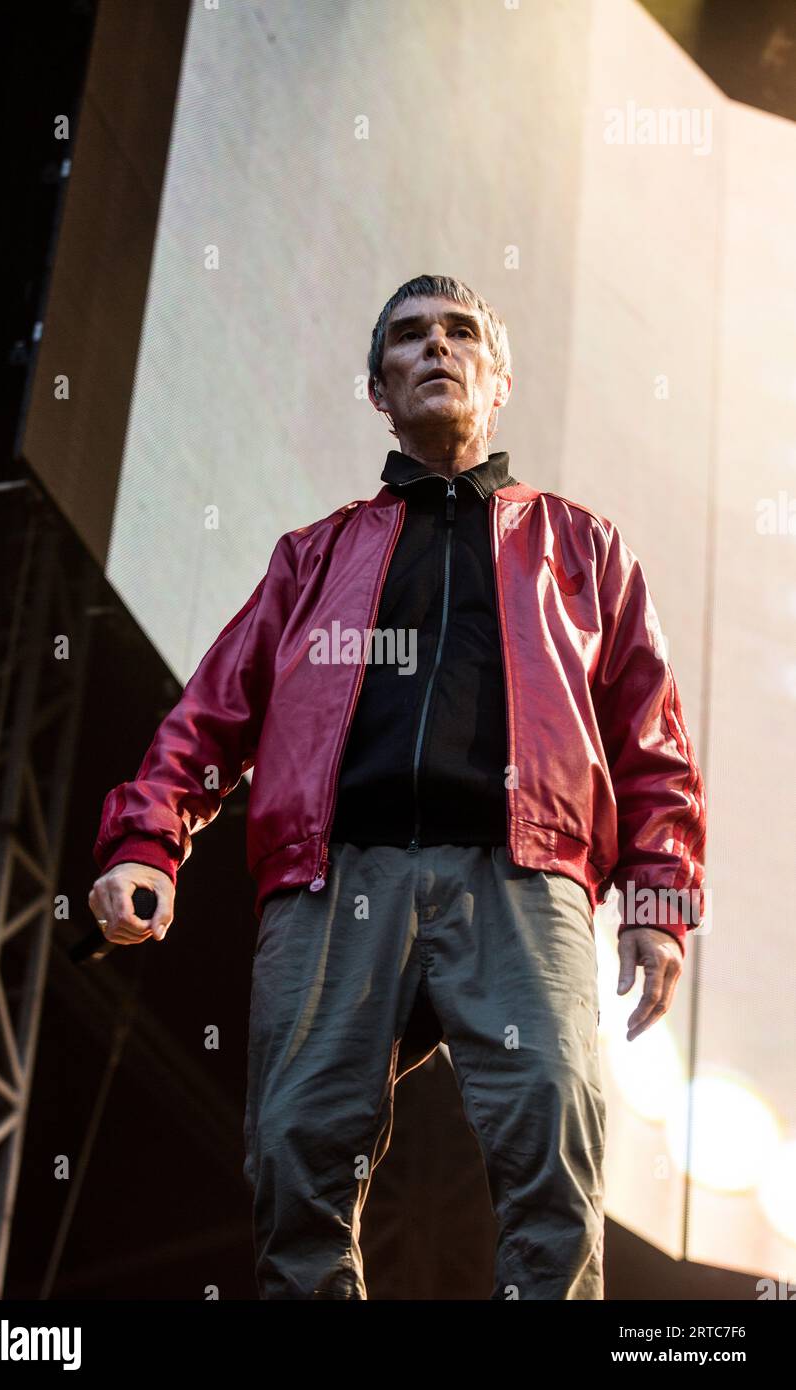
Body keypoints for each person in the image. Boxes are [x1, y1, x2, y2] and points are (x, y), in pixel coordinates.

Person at [89, 274, 706, 1300]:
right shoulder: (312, 557)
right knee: (293, 1158)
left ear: (496, 377)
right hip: (334, 881)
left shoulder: (583, 549)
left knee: (554, 1147)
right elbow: (210, 713)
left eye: (459, 333)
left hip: (521, 876)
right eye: (408, 337)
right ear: (377, 388)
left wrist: (658, 902)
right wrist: (143, 841)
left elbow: (651, 743)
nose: (434, 348)